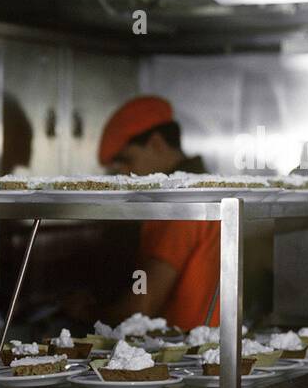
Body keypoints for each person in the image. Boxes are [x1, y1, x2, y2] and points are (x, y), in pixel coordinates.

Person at [70, 95, 218, 331]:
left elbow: (142, 305)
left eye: (128, 161)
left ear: (157, 144)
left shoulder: (179, 203)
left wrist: (87, 312)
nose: (125, 174)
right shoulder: (203, 188)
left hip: (184, 356)